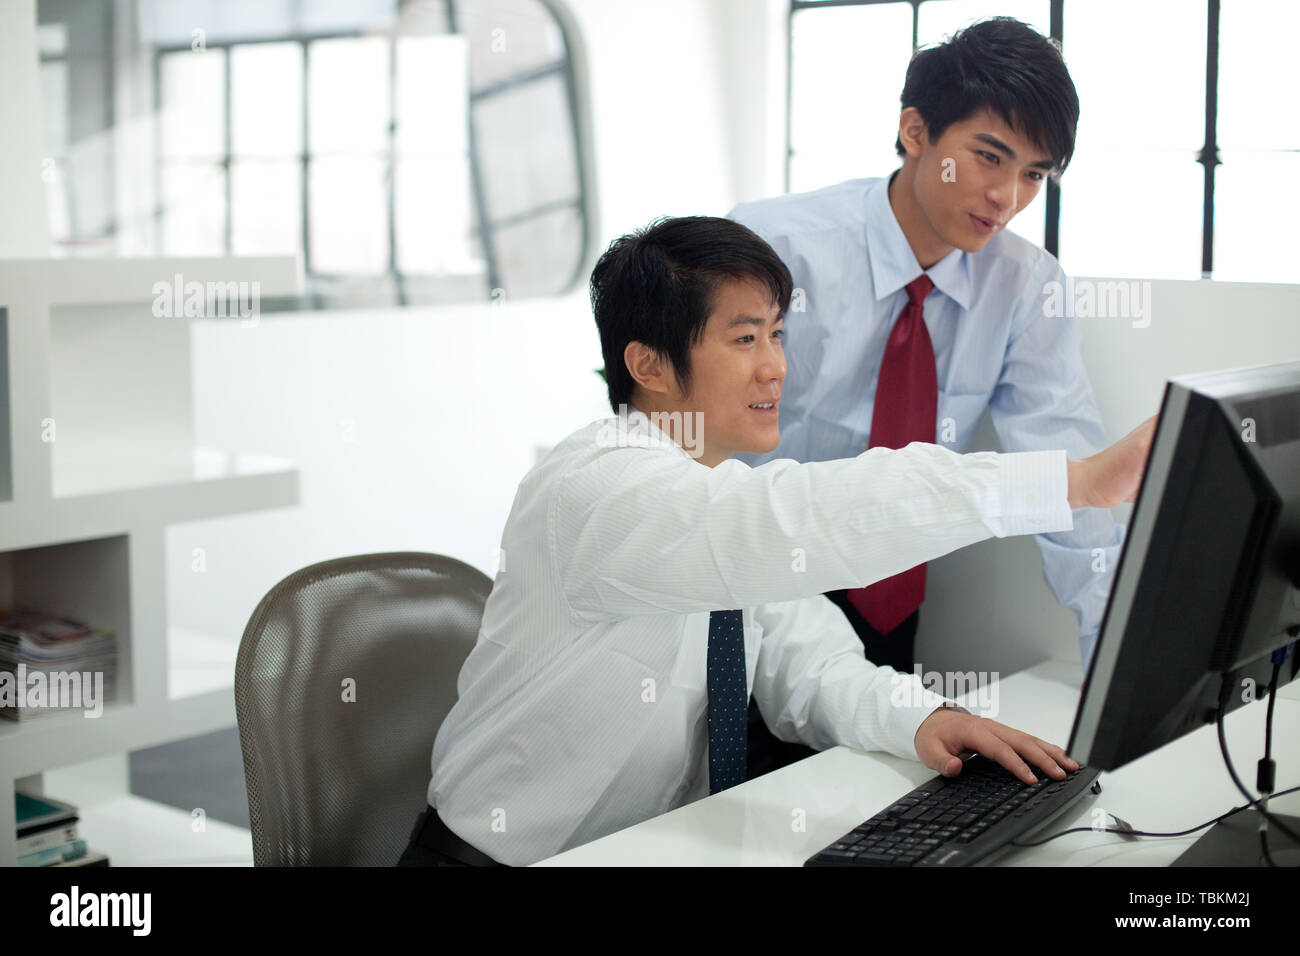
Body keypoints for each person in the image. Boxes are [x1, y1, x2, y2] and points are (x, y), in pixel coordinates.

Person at [396, 216, 1153, 866]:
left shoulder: (713, 494)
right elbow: (795, 518)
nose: (776, 367)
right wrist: (1069, 483)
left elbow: (812, 667)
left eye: (778, 334)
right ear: (648, 364)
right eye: (745, 338)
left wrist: (925, 719)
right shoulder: (597, 491)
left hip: (652, 846)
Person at [729, 16, 1125, 777]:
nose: (1008, 195)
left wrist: (1123, 662)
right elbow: (699, 455)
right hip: (751, 576)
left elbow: (1069, 472)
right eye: (988, 157)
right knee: (726, 806)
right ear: (916, 132)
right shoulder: (774, 247)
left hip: (887, 591)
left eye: (1036, 175)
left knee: (853, 804)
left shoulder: (1024, 286)